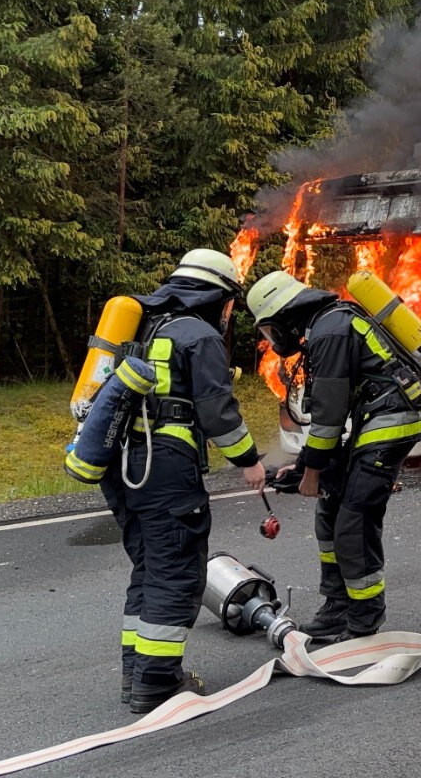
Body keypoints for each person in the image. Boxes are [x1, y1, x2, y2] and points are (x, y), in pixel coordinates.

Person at [100, 248, 267, 714]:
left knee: (150, 567)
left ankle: (137, 674)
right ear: (217, 296)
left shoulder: (141, 322)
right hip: (167, 465)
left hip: (123, 465)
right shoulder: (199, 335)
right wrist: (249, 461)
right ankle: (158, 685)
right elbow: (218, 413)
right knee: (175, 570)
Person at [247, 271, 421, 642]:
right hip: (373, 419)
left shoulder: (329, 330)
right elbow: (334, 415)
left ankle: (363, 621)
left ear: (283, 315)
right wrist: (302, 469)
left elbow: (329, 416)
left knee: (353, 523)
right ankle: (337, 607)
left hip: (391, 423)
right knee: (330, 509)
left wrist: (313, 474)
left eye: (269, 331)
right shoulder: (325, 325)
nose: (272, 340)